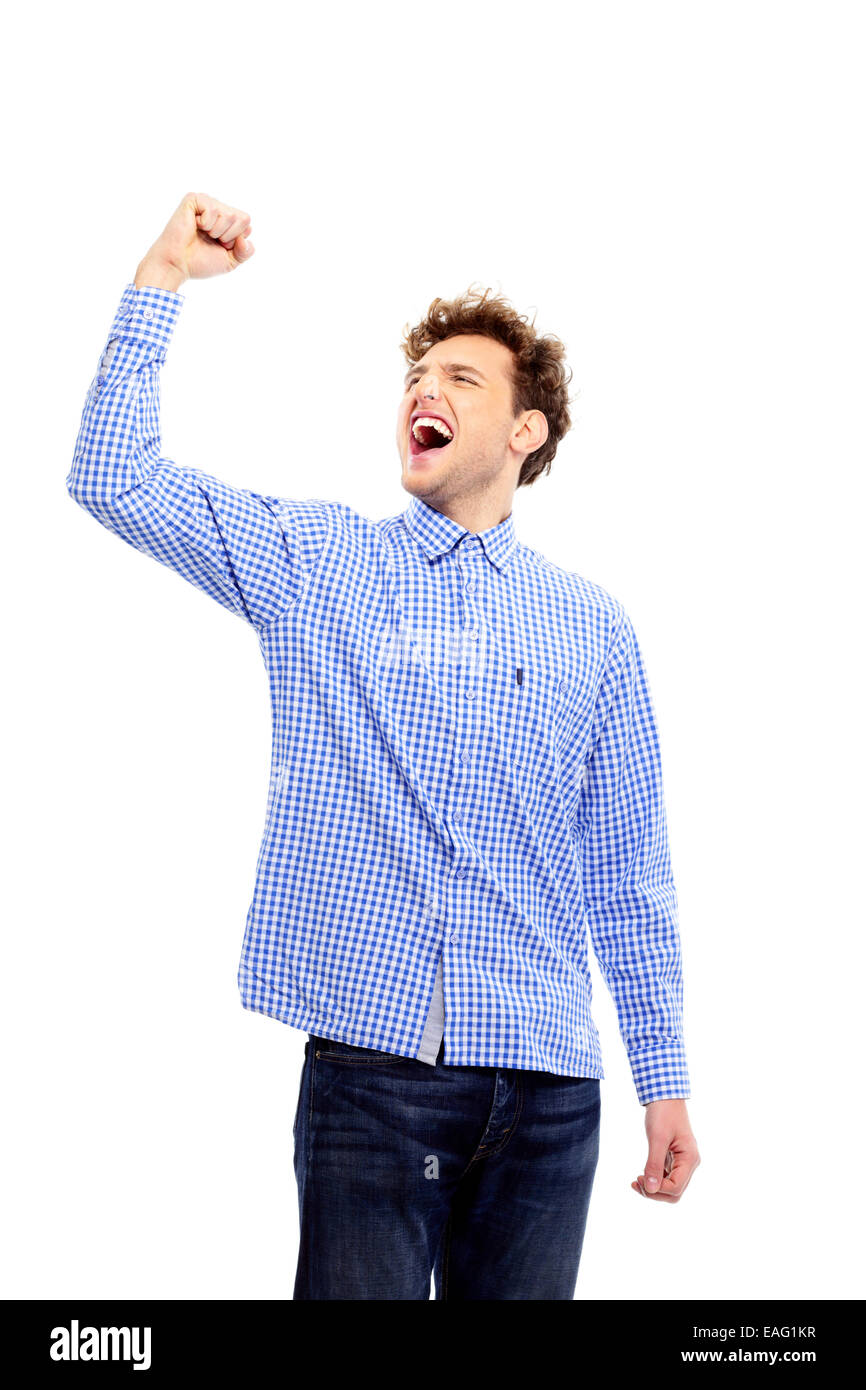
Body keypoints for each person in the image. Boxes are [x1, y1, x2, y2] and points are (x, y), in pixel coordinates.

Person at [67, 191, 700, 1301]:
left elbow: (627, 868)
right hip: (373, 1079)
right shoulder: (315, 561)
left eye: (462, 378)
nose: (424, 389)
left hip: (551, 1091)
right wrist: (160, 277)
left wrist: (664, 1074)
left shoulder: (594, 627)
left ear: (525, 432)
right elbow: (113, 477)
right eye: (416, 376)